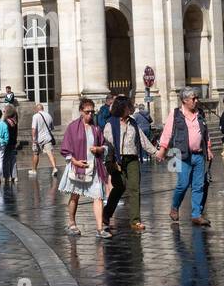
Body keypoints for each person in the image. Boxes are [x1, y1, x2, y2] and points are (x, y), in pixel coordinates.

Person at [157, 87, 213, 226]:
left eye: (196, 98)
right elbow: (167, 133)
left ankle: (196, 215)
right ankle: (175, 207)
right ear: (184, 100)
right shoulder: (176, 114)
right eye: (193, 98)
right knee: (182, 184)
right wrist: (163, 150)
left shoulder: (200, 114)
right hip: (180, 154)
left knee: (198, 186)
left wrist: (209, 149)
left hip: (199, 154)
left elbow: (206, 133)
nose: (196, 101)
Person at [103, 96, 161, 232]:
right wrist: (113, 160)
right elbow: (108, 142)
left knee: (135, 188)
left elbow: (142, 140)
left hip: (132, 159)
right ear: (121, 108)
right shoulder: (111, 123)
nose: (130, 109)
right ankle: (106, 214)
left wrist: (155, 153)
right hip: (117, 159)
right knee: (119, 187)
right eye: (128, 107)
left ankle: (135, 220)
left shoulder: (133, 122)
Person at [59, 98, 110, 237]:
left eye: (92, 112)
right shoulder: (72, 127)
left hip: (94, 167)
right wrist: (75, 161)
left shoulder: (96, 128)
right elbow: (65, 148)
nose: (90, 115)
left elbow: (104, 145)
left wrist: (99, 149)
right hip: (78, 167)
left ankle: (100, 229)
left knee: (98, 196)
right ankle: (71, 222)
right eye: (87, 112)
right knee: (75, 195)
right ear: (81, 111)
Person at [30, 102, 58, 176]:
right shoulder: (48, 115)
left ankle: (34, 170)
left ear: (37, 109)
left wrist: (33, 139)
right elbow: (52, 128)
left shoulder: (35, 116)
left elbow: (33, 129)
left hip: (38, 139)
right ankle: (54, 168)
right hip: (47, 138)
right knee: (50, 153)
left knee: (36, 153)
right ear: (43, 108)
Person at [2, 104, 20, 182]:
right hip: (13, 142)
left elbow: (4, 133)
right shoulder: (14, 121)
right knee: (13, 160)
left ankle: (7, 176)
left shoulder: (6, 122)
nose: (3, 111)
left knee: (6, 160)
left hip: (7, 143)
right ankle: (14, 176)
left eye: (4, 110)